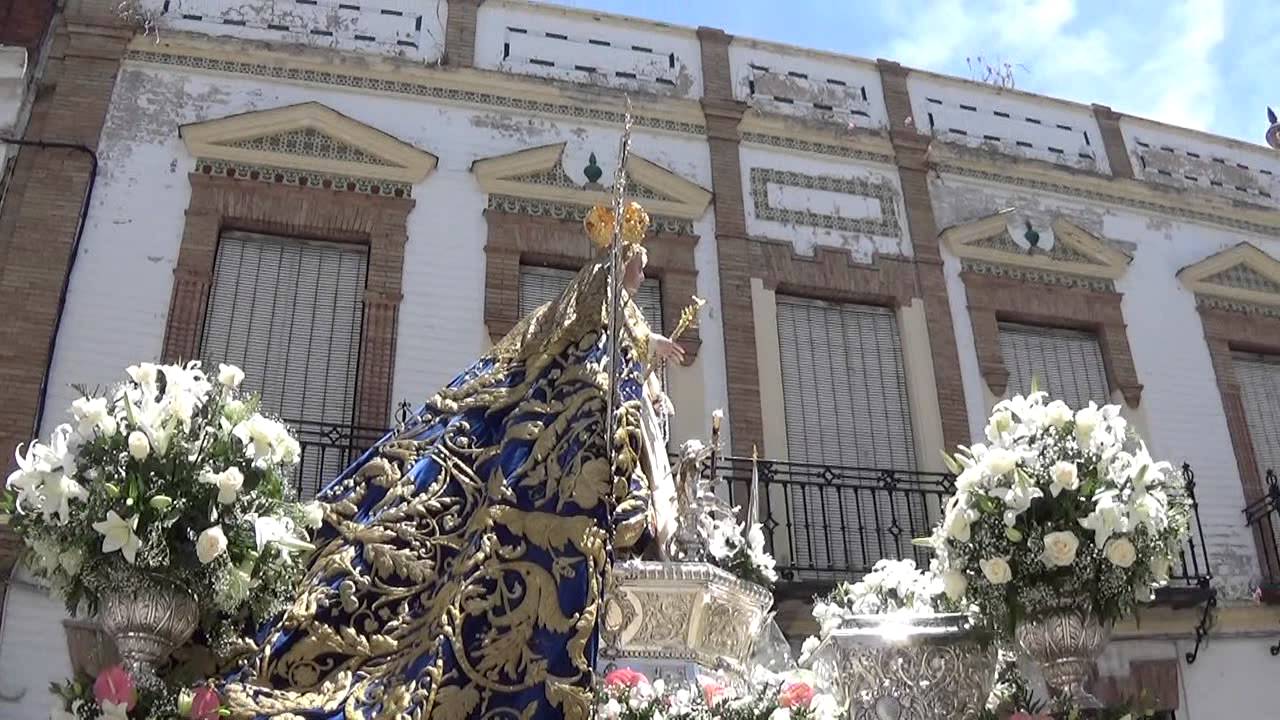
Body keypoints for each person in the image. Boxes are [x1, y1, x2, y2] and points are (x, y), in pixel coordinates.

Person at [221, 201, 685, 720]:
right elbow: (611, 345)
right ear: (619, 261)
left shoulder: (605, 307)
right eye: (638, 265)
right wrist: (646, 352)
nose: (642, 274)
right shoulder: (597, 299)